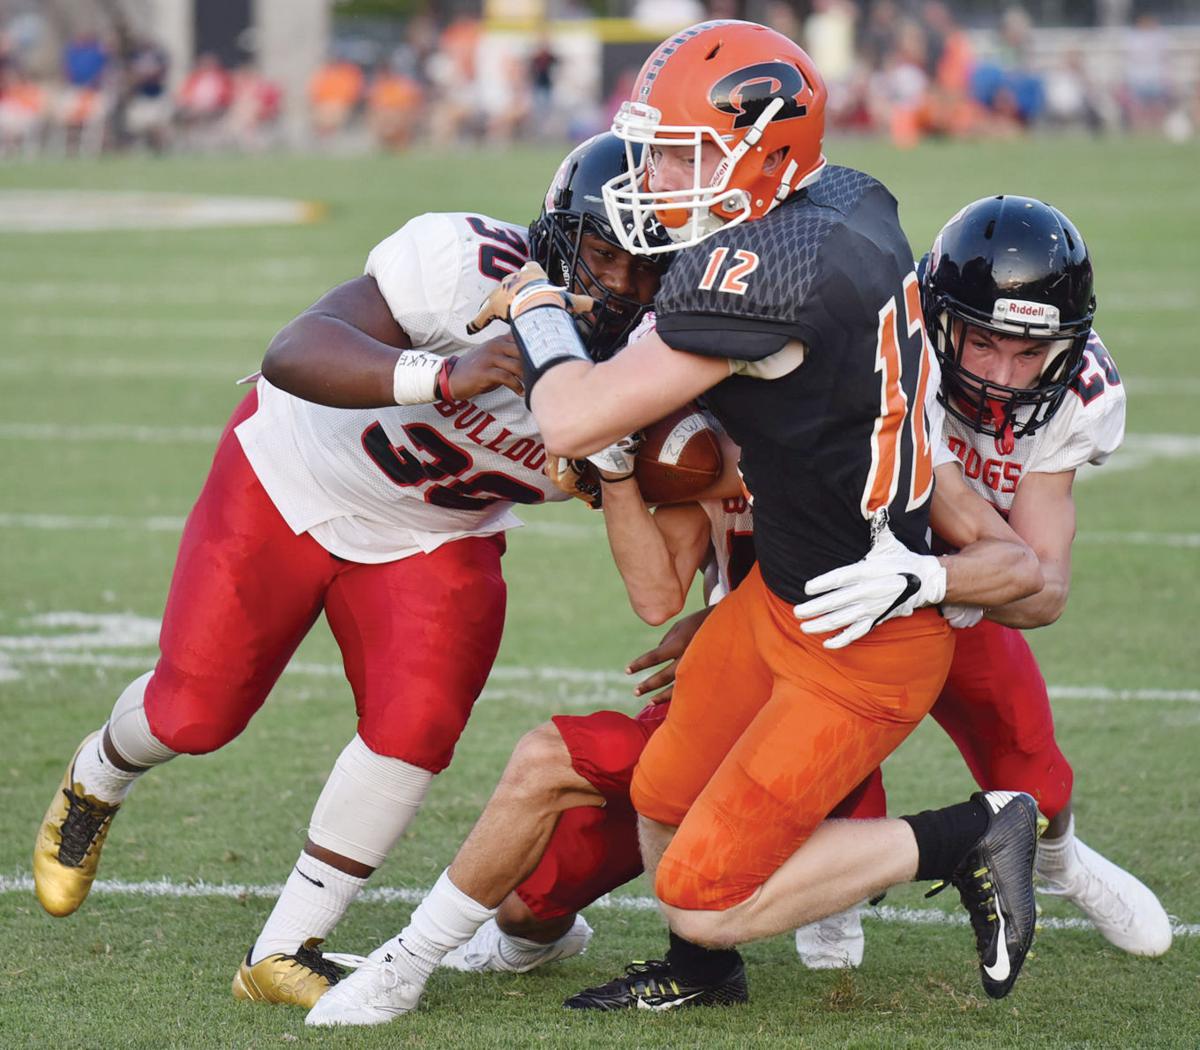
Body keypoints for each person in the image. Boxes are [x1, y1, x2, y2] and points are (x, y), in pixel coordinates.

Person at [306, 20, 1047, 1027]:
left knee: (704, 896)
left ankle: (970, 834)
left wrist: (534, 302)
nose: (658, 175)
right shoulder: (847, 194)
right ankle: (703, 970)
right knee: (661, 799)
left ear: (766, 144)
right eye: (654, 147)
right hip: (784, 592)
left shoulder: (760, 274)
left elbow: (568, 413)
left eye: (680, 152)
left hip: (863, 638)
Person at [31, 133, 663, 1009]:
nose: (626, 289)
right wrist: (445, 375)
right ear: (560, 237)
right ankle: (98, 775)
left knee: (420, 722)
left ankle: (287, 946)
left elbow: (683, 498)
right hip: (292, 477)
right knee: (195, 714)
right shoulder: (468, 264)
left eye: (652, 270)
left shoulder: (665, 364)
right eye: (606, 257)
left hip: (434, 531)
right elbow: (298, 347)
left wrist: (622, 468)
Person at [790, 196, 1173, 964]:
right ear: (940, 321)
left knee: (1036, 779)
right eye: (986, 343)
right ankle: (834, 895)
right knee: (829, 781)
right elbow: (985, 540)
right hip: (844, 573)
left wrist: (943, 580)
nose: (1003, 376)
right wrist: (978, 572)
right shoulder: (896, 353)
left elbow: (1045, 589)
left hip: (946, 588)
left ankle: (1060, 859)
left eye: (1030, 354)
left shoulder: (1080, 394)